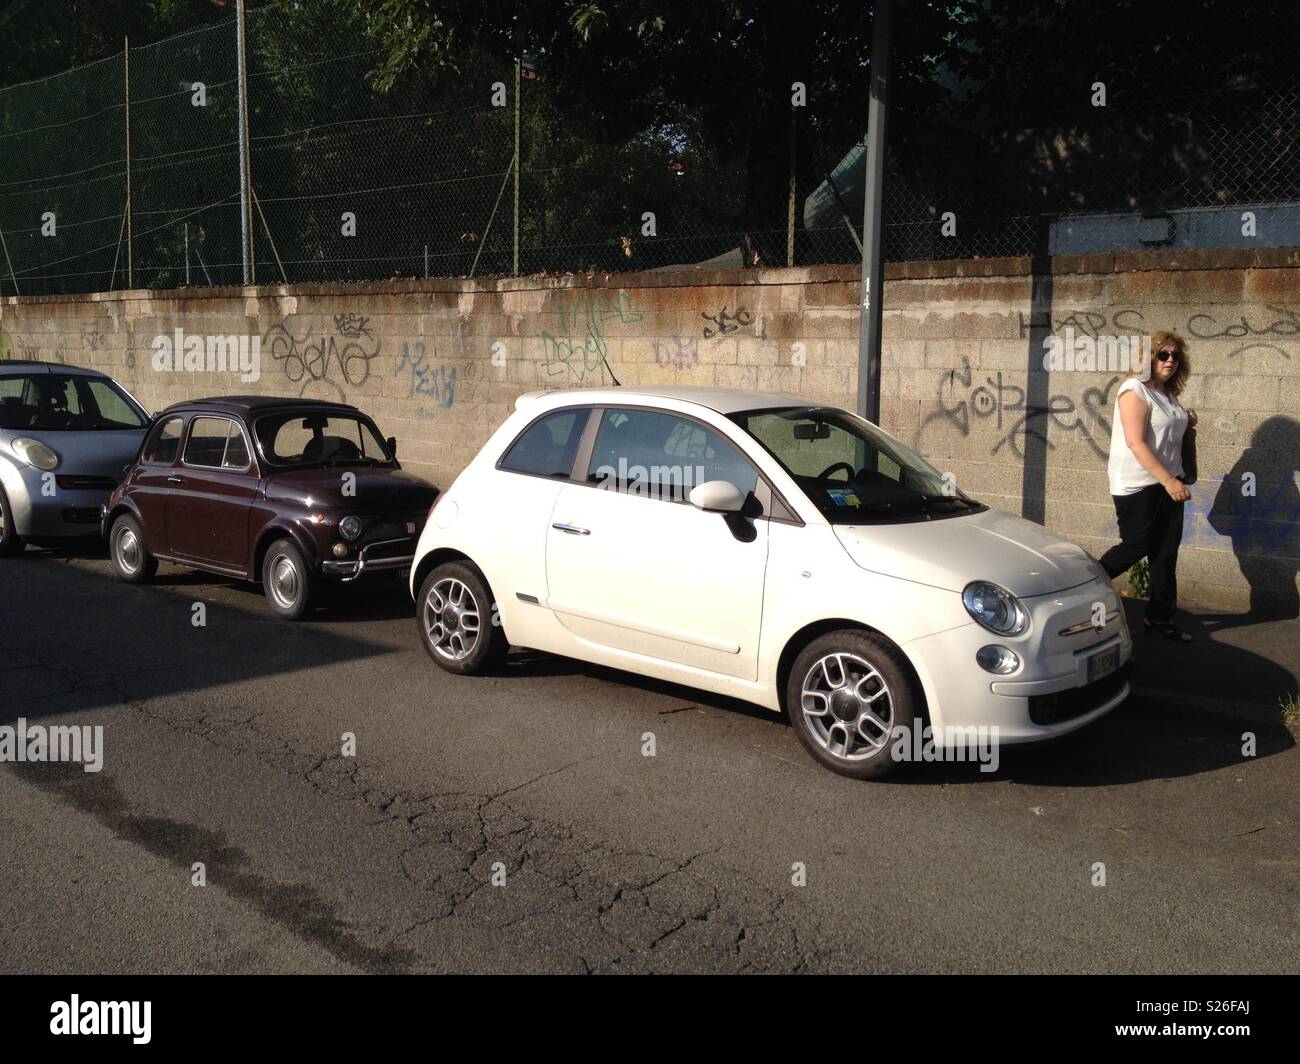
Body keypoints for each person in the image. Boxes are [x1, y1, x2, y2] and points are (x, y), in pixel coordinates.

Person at [1099, 331, 1196, 641]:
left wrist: (1188, 426)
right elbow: (1136, 442)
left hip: (1170, 484)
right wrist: (1168, 482)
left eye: (1174, 356)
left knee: (1166, 554)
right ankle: (1084, 580)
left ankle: (1160, 619)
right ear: (1147, 358)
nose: (1169, 360)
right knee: (1136, 545)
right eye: (1162, 354)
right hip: (1140, 485)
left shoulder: (1168, 395)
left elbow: (1173, 439)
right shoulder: (1134, 390)